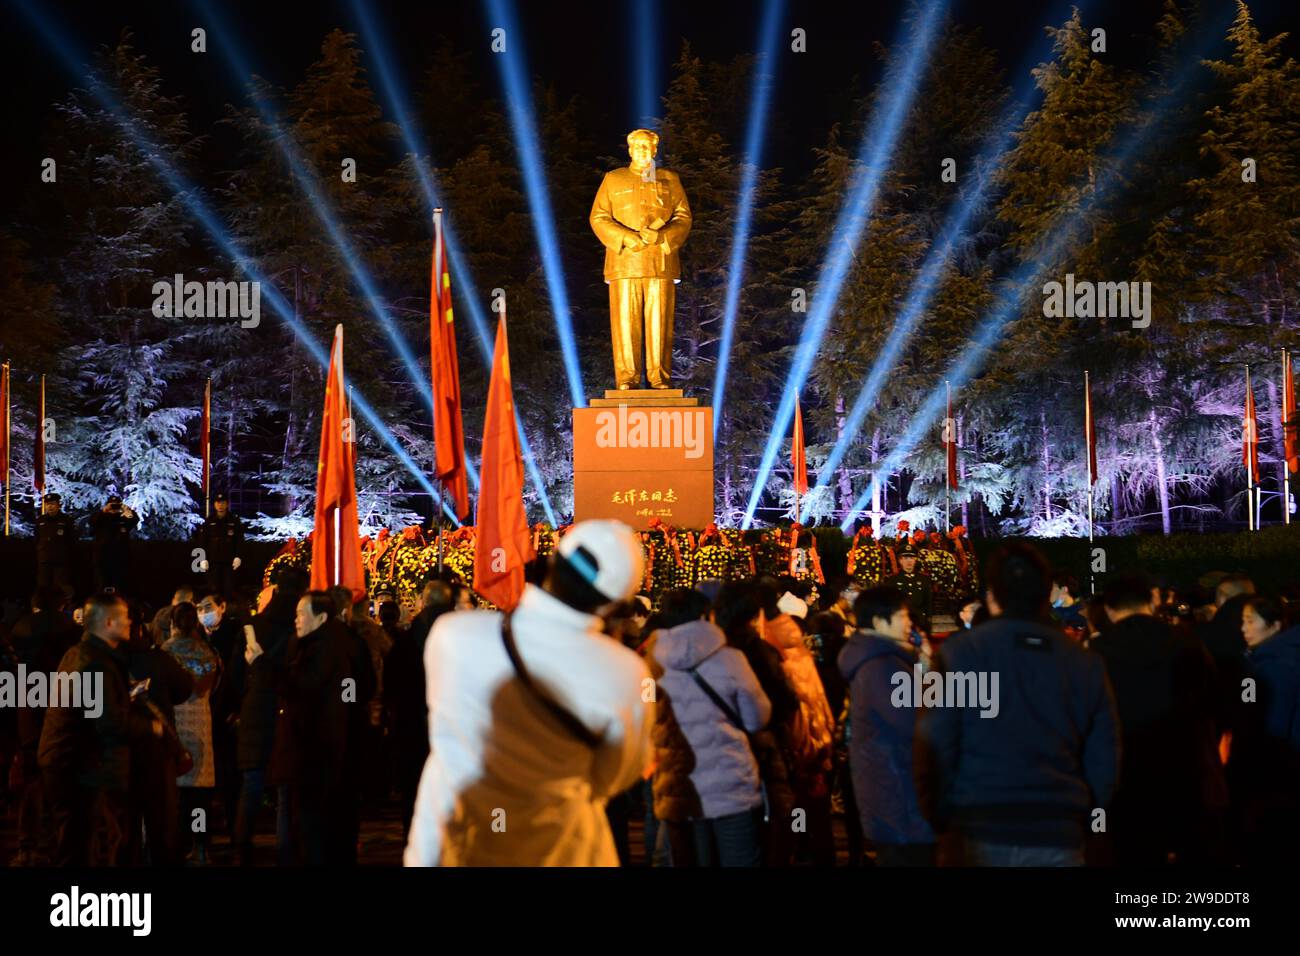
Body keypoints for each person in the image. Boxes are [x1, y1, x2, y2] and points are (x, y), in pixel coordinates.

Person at [405, 520, 655, 866]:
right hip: (562, 848)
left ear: (551, 562)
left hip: (452, 843)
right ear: (616, 603)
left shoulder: (452, 635)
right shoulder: (626, 673)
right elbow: (617, 775)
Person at [914, 543, 1120, 866]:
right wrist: (1087, 812)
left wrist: (941, 814)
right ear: (1044, 595)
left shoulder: (961, 653)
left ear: (992, 596)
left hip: (978, 824)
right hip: (1057, 825)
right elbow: (1104, 754)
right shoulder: (1082, 662)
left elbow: (934, 740)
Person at [1090, 572, 1226, 865]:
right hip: (1187, 769)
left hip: (1126, 776)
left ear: (1110, 609)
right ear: (1151, 602)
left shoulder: (1096, 653)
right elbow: (1214, 701)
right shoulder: (1187, 642)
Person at [38, 593, 166, 866]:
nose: (130, 621)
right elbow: (109, 722)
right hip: (86, 771)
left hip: (70, 765)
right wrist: (151, 727)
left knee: (75, 845)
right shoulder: (95, 664)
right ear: (108, 623)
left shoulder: (81, 655)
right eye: (124, 617)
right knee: (93, 848)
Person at [649, 588, 771, 867]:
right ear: (706, 615)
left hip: (680, 784)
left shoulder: (651, 664)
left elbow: (645, 711)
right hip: (731, 782)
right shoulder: (731, 659)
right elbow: (756, 718)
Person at [589, 128, 693, 390]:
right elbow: (598, 217)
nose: (643, 151)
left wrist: (662, 237)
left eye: (648, 147)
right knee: (625, 322)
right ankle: (627, 378)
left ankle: (659, 379)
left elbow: (683, 217)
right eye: (638, 147)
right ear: (630, 150)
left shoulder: (670, 179)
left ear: (655, 150)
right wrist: (626, 237)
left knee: (660, 322)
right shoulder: (614, 179)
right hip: (625, 261)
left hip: (661, 261)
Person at [838, 586, 935, 866]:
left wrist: (925, 663)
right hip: (899, 795)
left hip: (891, 790)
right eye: (903, 616)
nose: (909, 624)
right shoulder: (883, 666)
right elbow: (918, 723)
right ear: (880, 622)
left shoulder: (879, 659)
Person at [264, 589, 355, 866]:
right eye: (296, 614)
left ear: (322, 617)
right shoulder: (307, 645)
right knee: (303, 823)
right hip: (307, 751)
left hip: (314, 752)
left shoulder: (324, 649)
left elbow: (302, 687)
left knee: (311, 825)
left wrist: (260, 665)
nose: (297, 620)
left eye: (302, 614)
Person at [226, 566, 305, 866]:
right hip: (286, 710)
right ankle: (285, 853)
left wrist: (240, 704)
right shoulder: (299, 629)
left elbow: (235, 674)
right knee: (285, 789)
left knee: (252, 785)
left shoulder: (253, 628)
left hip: (254, 708)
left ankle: (241, 848)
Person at [7, 586, 80, 865]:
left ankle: (27, 845)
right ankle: (59, 843)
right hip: (64, 704)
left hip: (28, 701)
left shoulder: (20, 629)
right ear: (62, 604)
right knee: (65, 780)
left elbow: (13, 674)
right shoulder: (71, 631)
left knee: (31, 781)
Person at [1228, 594, 1300, 865]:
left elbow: (1272, 725)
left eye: (1250, 621)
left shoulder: (1276, 665)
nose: (1243, 628)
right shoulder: (1271, 658)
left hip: (1279, 771)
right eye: (1242, 621)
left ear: (1275, 625)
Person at [124, 600, 194, 867]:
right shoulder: (158, 659)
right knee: (162, 824)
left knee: (126, 825)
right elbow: (184, 688)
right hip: (157, 750)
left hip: (123, 752)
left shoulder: (107, 661)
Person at [385, 581, 452, 838]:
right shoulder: (458, 637)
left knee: (414, 795)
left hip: (411, 727)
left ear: (422, 602)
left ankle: (414, 842)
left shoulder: (406, 640)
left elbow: (390, 685)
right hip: (449, 729)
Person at [163, 602, 221, 865]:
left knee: (175, 790)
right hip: (201, 722)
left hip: (174, 723)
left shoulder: (165, 653)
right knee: (199, 791)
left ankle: (177, 843)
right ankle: (200, 846)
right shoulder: (209, 652)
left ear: (172, 624)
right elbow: (216, 687)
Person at [195, 590, 242, 838]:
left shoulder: (235, 634)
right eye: (199, 609)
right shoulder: (197, 636)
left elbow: (238, 676)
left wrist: (235, 710)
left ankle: (235, 827)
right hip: (202, 715)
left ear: (222, 607)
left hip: (226, 714)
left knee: (229, 772)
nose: (204, 613)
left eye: (208, 607)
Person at [196, 493, 244, 596]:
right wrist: (202, 558)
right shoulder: (209, 521)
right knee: (213, 589)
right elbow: (202, 541)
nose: (220, 505)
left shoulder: (234, 520)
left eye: (223, 503)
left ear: (227, 504)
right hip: (213, 562)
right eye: (218, 503)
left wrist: (238, 556)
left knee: (229, 589)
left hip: (229, 562)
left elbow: (239, 541)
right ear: (214, 505)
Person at [88, 494, 138, 593]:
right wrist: (104, 511)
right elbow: (92, 521)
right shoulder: (101, 518)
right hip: (102, 557)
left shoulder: (123, 519)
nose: (114, 507)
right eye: (112, 505)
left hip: (120, 557)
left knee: (119, 584)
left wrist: (127, 510)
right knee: (101, 583)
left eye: (116, 505)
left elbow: (134, 520)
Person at [885, 539, 933, 635]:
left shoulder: (923, 579)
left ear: (915, 560)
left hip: (920, 620)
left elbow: (928, 601)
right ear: (900, 560)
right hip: (901, 621)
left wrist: (928, 619)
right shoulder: (893, 580)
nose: (909, 561)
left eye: (911, 558)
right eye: (905, 558)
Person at [35, 493, 77, 589]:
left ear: (59, 505)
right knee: (43, 587)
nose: (50, 506)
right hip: (44, 559)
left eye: (53, 504)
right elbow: (37, 538)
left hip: (61, 560)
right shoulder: (40, 520)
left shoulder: (67, 520)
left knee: (60, 587)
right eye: (48, 504)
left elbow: (72, 540)